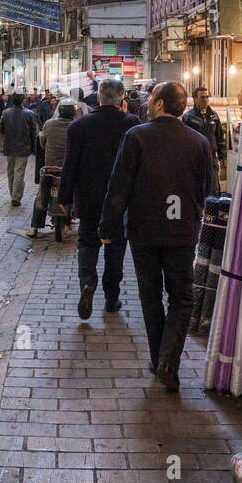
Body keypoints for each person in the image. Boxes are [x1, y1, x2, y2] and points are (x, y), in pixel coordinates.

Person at [99, 82, 211, 391]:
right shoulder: (199, 142)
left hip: (144, 231)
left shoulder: (137, 137)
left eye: (151, 98)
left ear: (160, 104)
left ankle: (158, 358)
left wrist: (108, 228)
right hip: (182, 231)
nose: (148, 102)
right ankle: (167, 361)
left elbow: (119, 187)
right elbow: (208, 190)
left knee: (150, 296)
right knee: (182, 297)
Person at [58, 78, 140, 318]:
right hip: (120, 200)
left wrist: (64, 197)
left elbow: (69, 165)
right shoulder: (132, 124)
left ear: (99, 97)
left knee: (87, 243)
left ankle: (87, 282)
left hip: (89, 197)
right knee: (116, 248)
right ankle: (111, 298)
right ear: (122, 97)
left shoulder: (79, 126)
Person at [29, 98, 78, 237]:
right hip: (69, 169)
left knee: (41, 195)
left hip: (50, 168)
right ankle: (70, 219)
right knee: (76, 193)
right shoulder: (77, 125)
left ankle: (34, 227)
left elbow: (42, 143)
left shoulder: (49, 124)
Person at [183, 86, 227, 196]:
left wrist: (223, 157)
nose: (206, 99)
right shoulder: (188, 117)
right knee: (197, 185)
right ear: (195, 99)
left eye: (207, 97)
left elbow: (220, 137)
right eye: (202, 97)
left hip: (211, 157)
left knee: (213, 185)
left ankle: (212, 211)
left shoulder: (214, 116)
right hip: (195, 157)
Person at [0, 92, 39, 207]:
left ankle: (13, 195)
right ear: (23, 100)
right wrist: (34, 148)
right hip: (23, 147)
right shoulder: (29, 114)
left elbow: (0, 128)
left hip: (9, 146)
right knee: (19, 172)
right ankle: (16, 197)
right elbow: (34, 132)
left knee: (11, 172)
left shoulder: (5, 113)